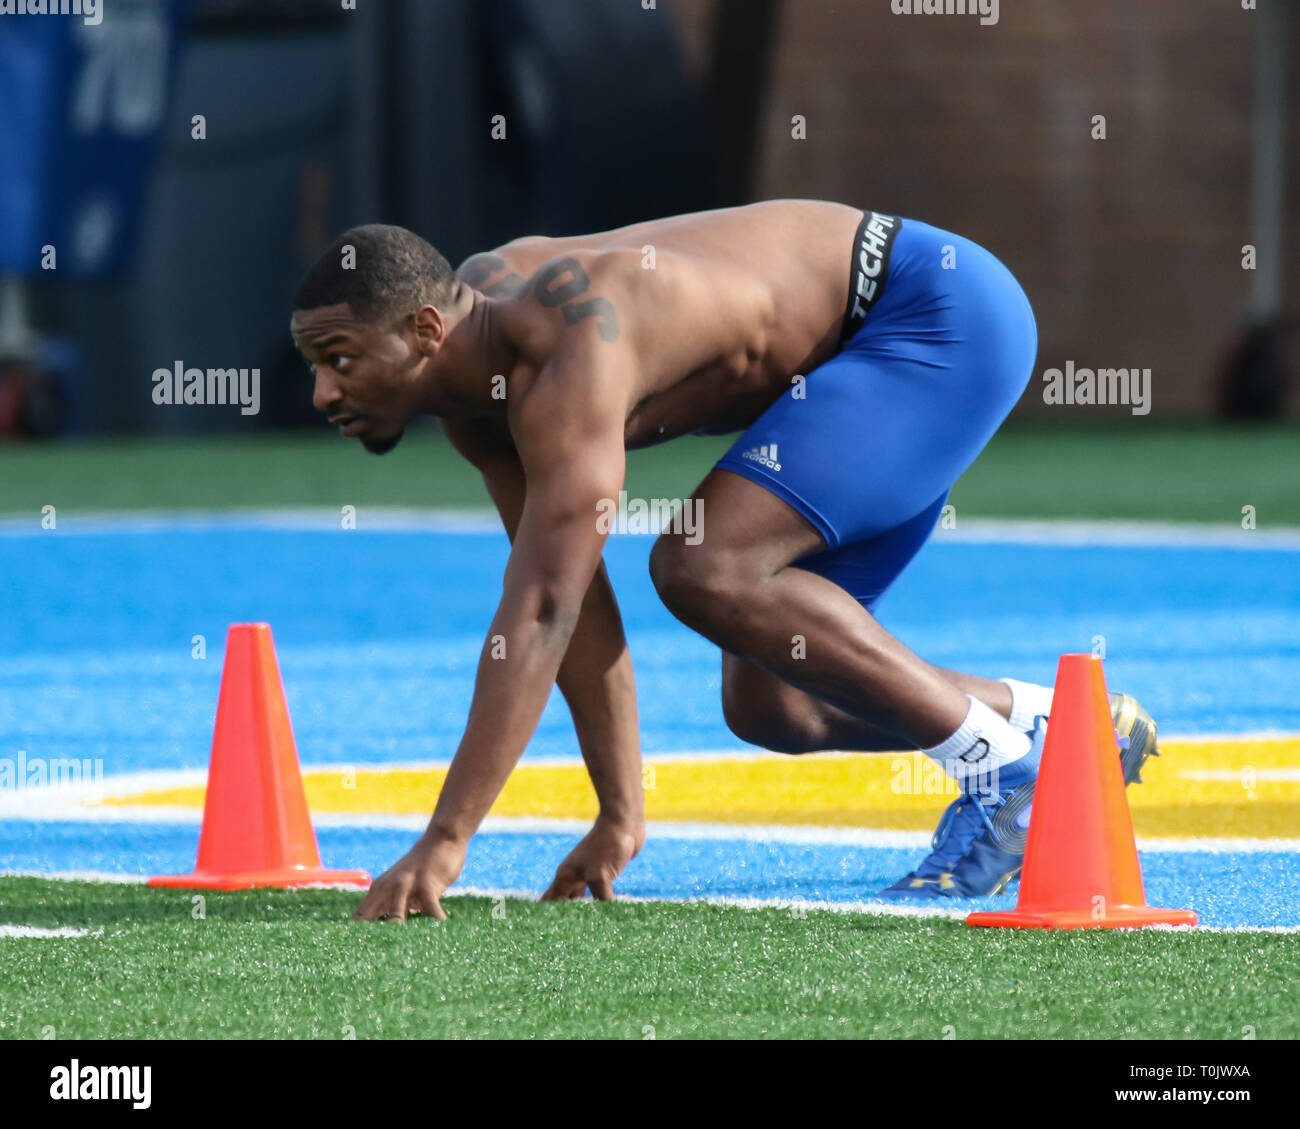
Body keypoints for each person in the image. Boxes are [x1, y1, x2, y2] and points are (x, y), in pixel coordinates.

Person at [288, 200, 1155, 920]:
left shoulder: (561, 351)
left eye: (339, 361)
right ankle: (1060, 729)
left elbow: (542, 610)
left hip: (931, 314)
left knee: (703, 563)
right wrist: (620, 816)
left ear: (426, 329)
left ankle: (1004, 771)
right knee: (775, 706)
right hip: (859, 358)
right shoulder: (479, 399)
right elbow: (575, 601)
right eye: (314, 366)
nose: (324, 392)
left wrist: (445, 842)